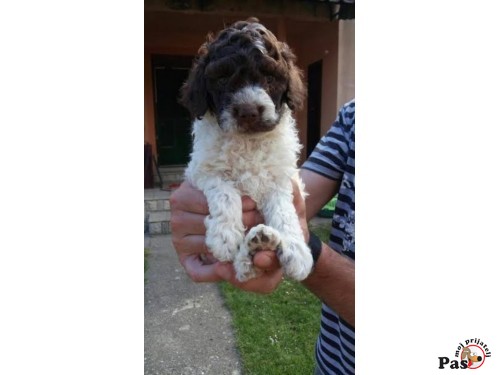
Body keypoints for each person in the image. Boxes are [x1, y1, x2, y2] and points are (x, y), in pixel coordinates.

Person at [170, 99, 355, 375]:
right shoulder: (354, 116)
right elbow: (294, 190)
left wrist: (306, 249)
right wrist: (210, 194)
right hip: (332, 363)